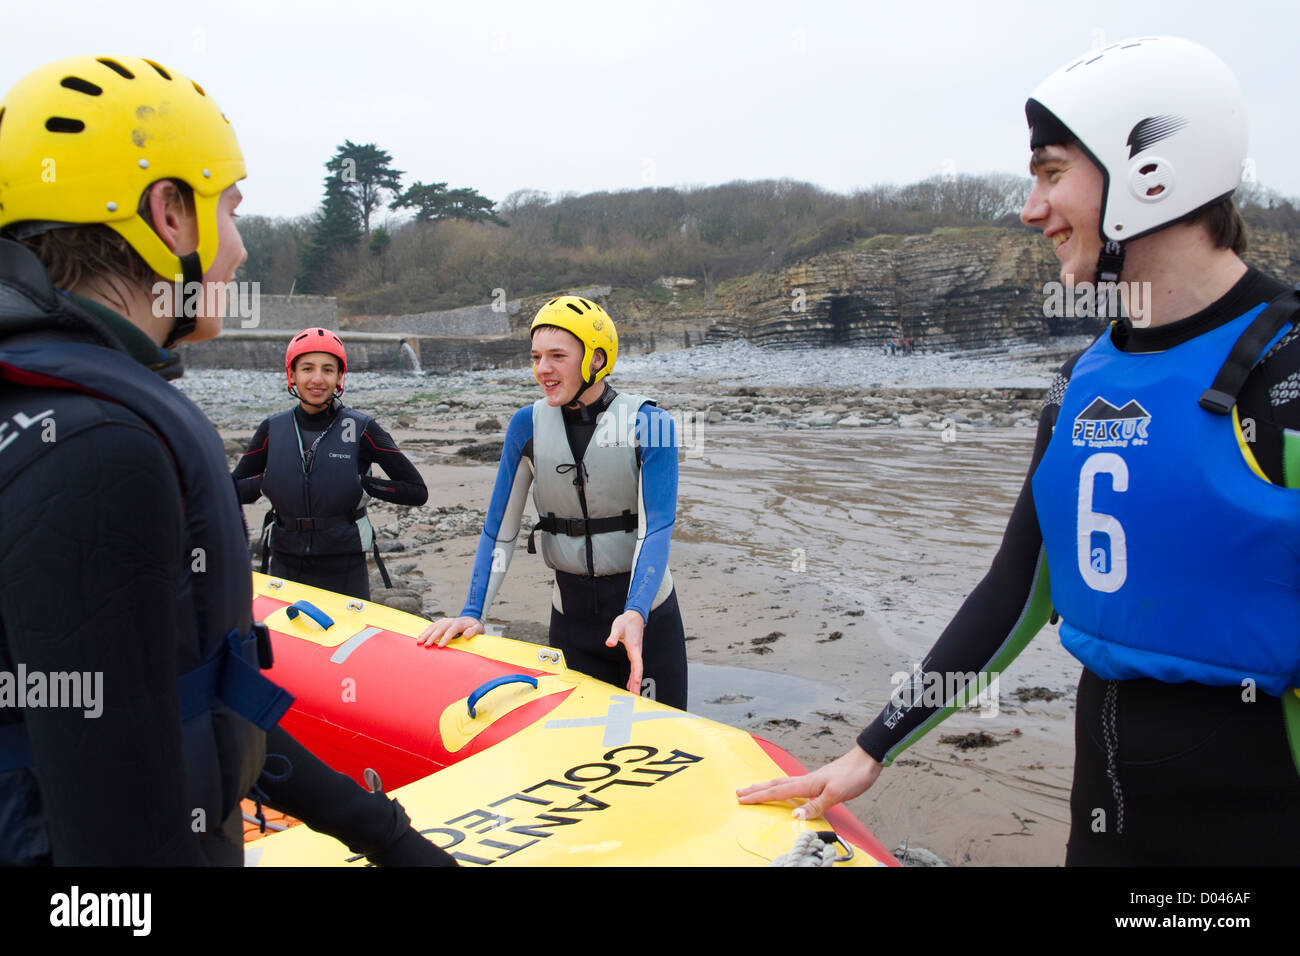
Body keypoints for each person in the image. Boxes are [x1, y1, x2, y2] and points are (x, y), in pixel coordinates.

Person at [739, 36, 1300, 865]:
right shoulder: (1082, 378)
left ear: (1151, 173)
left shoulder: (1285, 367)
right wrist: (872, 748)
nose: (1032, 209)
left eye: (1050, 172)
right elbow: (1015, 588)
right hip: (1109, 814)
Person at [0, 55, 450, 866]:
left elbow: (200, 705)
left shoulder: (54, 409)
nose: (239, 250)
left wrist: (392, 840)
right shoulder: (102, 449)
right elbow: (111, 828)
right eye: (230, 211)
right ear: (167, 213)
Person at [417, 296, 689, 709]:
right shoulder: (525, 425)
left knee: (663, 749)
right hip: (571, 623)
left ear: (597, 358)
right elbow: (500, 529)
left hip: (646, 620)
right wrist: (474, 611)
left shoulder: (649, 424)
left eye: (557, 356)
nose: (542, 369)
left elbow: (656, 529)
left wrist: (635, 612)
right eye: (536, 357)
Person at [232, 327, 427, 601]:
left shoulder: (361, 427)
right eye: (307, 369)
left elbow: (416, 491)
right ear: (292, 375)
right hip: (285, 562)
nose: (317, 379)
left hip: (344, 564)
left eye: (327, 370)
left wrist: (365, 484)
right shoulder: (272, 429)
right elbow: (230, 490)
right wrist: (264, 484)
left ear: (339, 378)